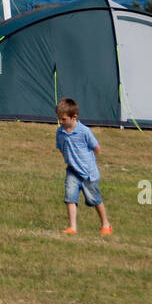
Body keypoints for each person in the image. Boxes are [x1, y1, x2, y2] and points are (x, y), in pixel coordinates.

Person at [55, 97, 112, 235]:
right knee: (70, 197)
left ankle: (106, 224)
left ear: (74, 117)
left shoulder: (84, 131)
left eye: (63, 119)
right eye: (59, 119)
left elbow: (96, 148)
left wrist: (89, 163)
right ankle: (72, 227)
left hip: (88, 173)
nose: (60, 122)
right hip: (72, 171)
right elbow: (61, 148)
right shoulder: (60, 132)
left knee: (94, 199)